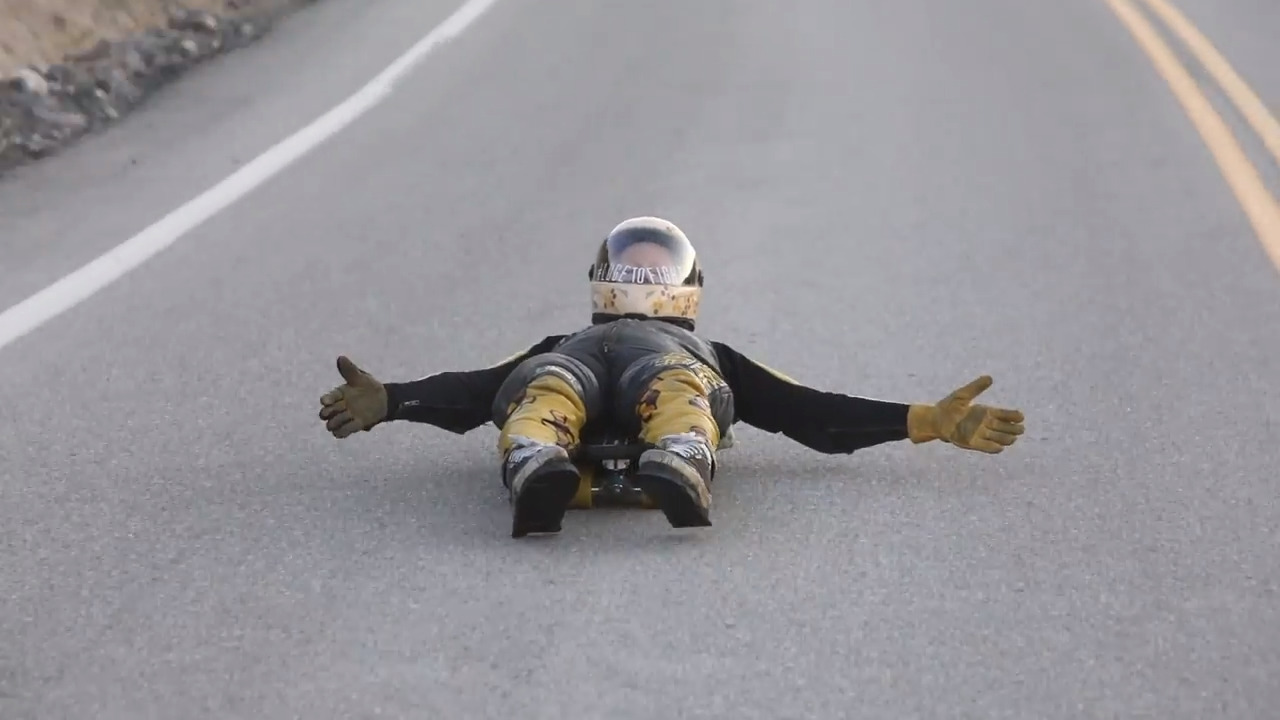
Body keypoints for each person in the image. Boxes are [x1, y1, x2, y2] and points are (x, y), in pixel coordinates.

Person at [318, 217, 1026, 538]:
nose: (641, 282)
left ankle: (536, 455)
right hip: (661, 375)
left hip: (579, 370)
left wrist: (396, 402)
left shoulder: (560, 342)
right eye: (636, 271)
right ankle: (678, 453)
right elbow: (813, 415)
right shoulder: (703, 352)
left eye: (649, 271)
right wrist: (920, 420)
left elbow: (474, 393)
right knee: (670, 397)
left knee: (544, 395)